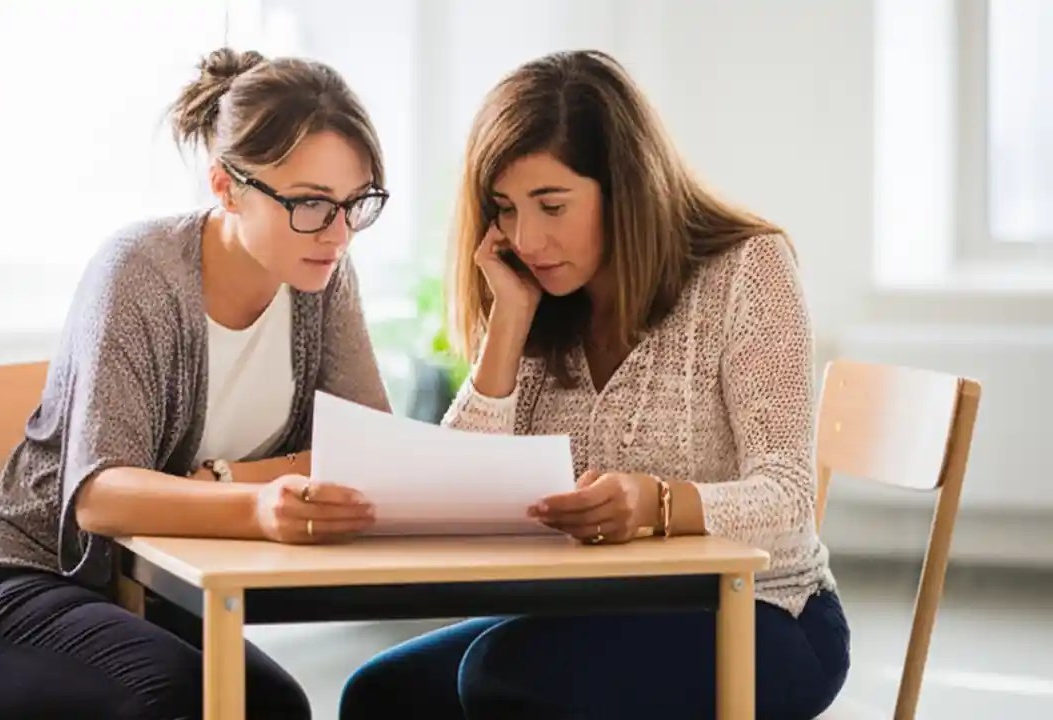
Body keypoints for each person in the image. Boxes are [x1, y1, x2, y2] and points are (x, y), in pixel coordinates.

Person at [340, 49, 849, 720]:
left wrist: (655, 505)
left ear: (626, 186)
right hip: (593, 611)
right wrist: (509, 324)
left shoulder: (748, 269)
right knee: (382, 697)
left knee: (503, 676)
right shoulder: (542, 301)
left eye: (551, 205)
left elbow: (787, 502)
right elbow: (457, 493)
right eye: (506, 209)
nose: (527, 238)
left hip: (764, 616)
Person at [0, 47, 393, 720]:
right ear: (226, 185)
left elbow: (369, 456)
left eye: (354, 204)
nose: (338, 233)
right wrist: (257, 503)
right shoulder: (140, 271)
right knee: (177, 699)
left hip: (137, 600)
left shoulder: (323, 278)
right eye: (310, 204)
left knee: (274, 708)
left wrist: (222, 478)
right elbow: (101, 498)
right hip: (5, 592)